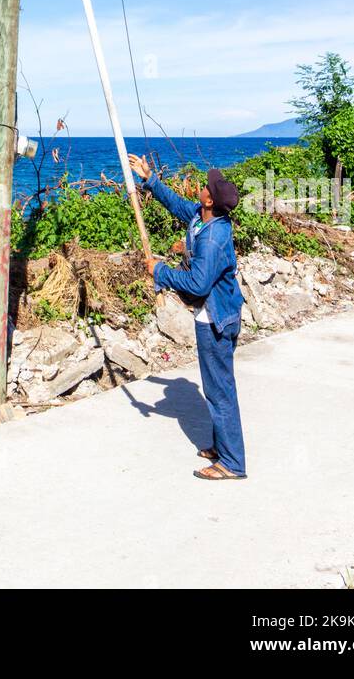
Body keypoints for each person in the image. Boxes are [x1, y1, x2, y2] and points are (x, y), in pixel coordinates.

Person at [128, 154, 247, 481]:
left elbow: (198, 283)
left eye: (206, 187)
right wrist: (149, 179)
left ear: (210, 200)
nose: (202, 187)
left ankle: (232, 463)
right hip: (215, 314)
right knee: (218, 386)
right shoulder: (203, 218)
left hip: (216, 321)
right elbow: (177, 205)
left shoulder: (212, 238)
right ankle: (222, 446)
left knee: (219, 390)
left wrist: (160, 271)